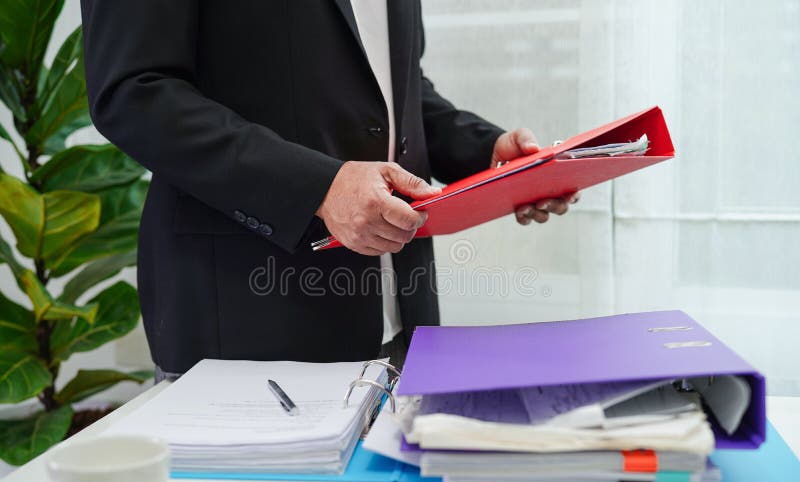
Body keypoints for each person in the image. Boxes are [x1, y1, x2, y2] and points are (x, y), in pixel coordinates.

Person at [80, 0, 578, 380]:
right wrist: (319, 188)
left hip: (405, 322)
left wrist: (487, 152)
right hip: (247, 323)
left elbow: (390, 92)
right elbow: (133, 91)